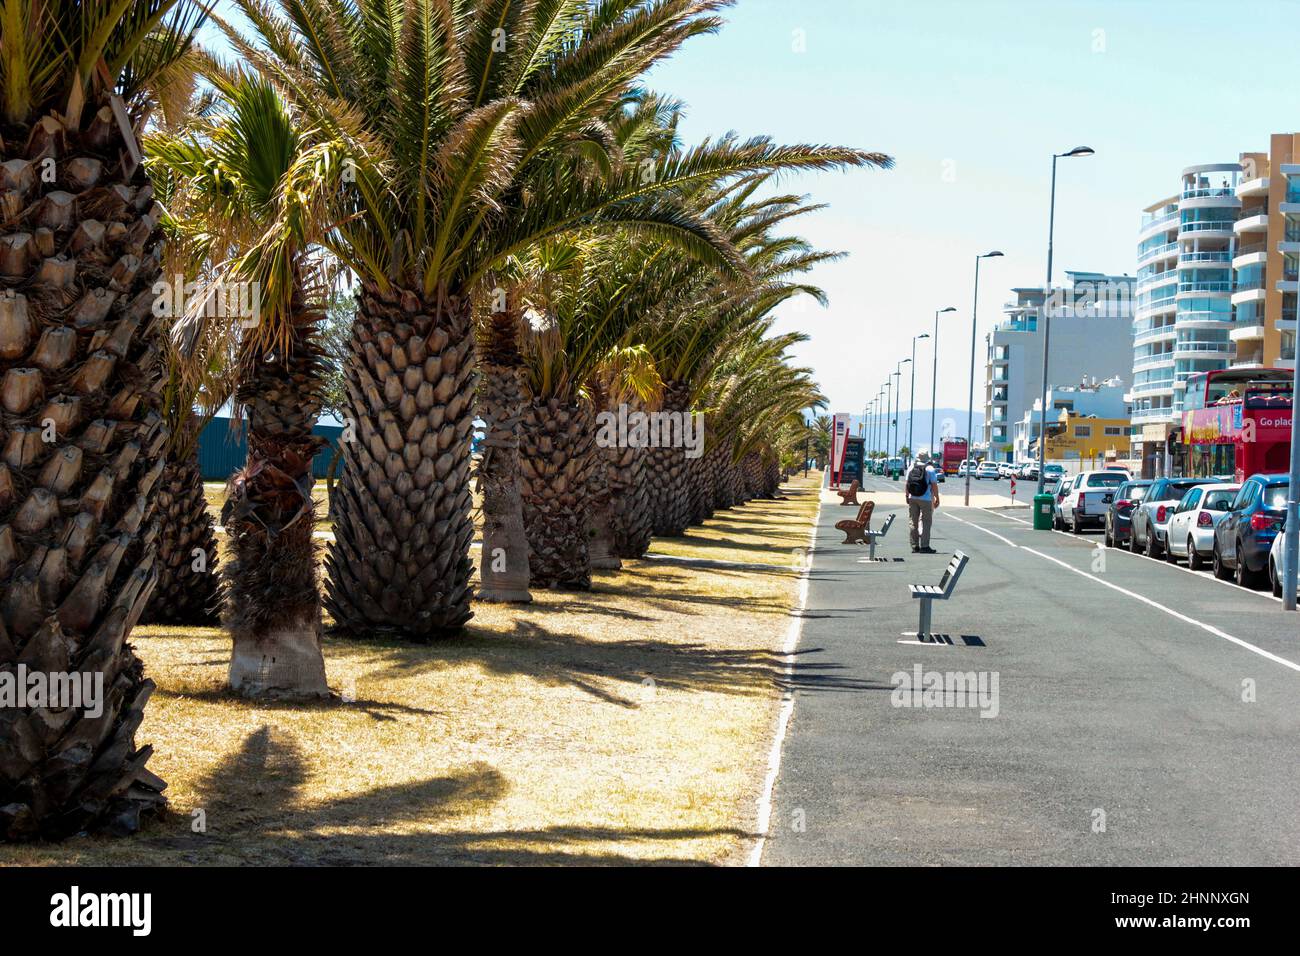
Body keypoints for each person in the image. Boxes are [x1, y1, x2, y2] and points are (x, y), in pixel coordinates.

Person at [904, 451, 940, 554]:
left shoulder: (911, 467)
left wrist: (907, 495)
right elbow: (934, 485)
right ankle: (925, 546)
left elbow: (907, 484)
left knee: (913, 522)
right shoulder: (930, 469)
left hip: (912, 497)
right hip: (926, 498)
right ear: (927, 458)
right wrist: (937, 498)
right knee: (926, 522)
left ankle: (914, 546)